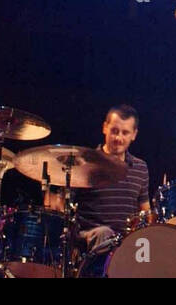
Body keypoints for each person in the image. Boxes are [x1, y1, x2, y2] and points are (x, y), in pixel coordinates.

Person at [47, 105, 150, 256]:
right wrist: (54, 202)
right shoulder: (85, 163)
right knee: (104, 233)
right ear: (105, 128)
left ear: (134, 135)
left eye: (125, 133)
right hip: (90, 237)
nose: (118, 138)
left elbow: (145, 211)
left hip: (127, 241)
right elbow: (62, 206)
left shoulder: (140, 167)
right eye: (114, 131)